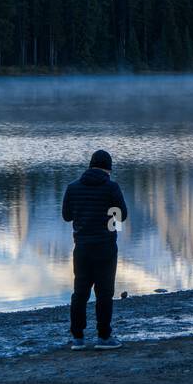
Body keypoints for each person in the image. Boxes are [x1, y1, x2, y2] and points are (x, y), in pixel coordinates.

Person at [62, 149, 129, 349]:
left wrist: (83, 216)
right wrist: (108, 222)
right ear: (108, 168)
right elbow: (121, 216)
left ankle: (78, 338)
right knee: (104, 293)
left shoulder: (73, 188)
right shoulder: (111, 187)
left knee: (80, 293)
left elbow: (66, 216)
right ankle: (104, 337)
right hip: (106, 247)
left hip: (82, 247)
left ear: (90, 165)